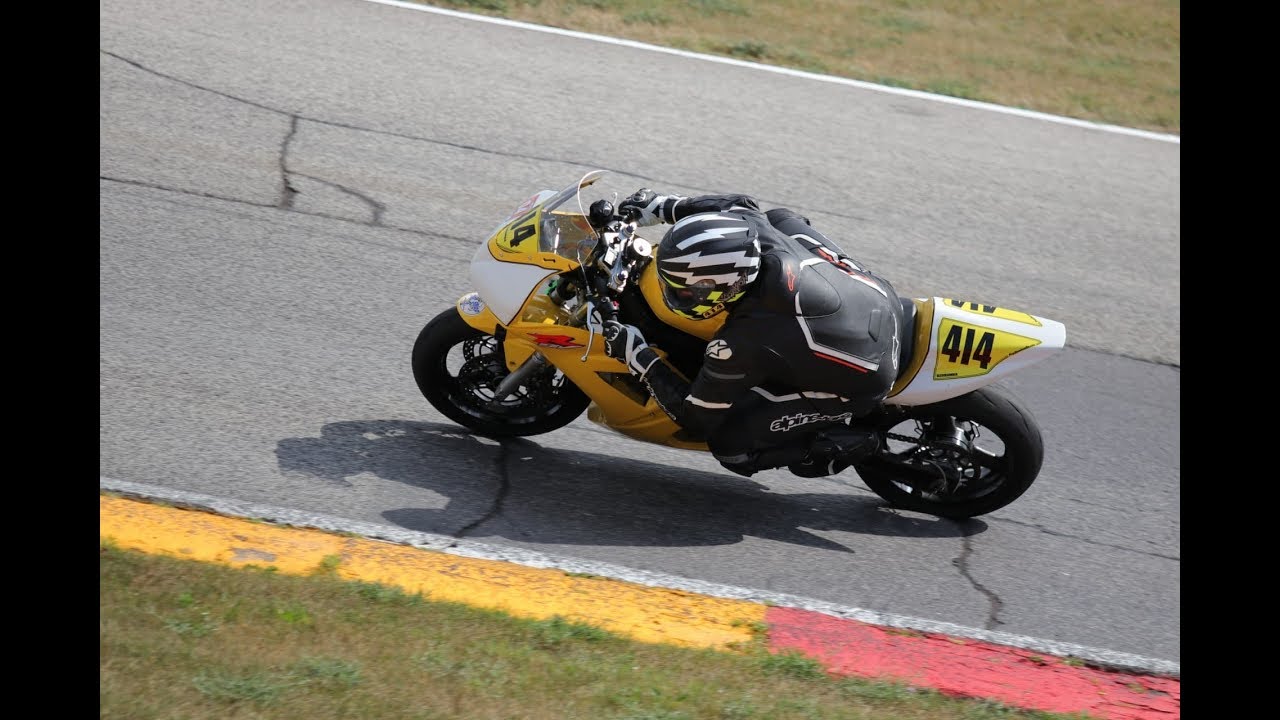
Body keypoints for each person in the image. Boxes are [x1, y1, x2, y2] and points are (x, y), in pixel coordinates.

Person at [601, 187, 906, 479]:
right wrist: (662, 206)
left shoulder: (743, 341)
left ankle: (853, 444)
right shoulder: (752, 231)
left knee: (728, 443)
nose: (674, 294)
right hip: (878, 297)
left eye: (684, 291)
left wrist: (637, 356)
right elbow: (738, 204)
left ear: (726, 287)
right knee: (780, 218)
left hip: (871, 374)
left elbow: (695, 419)